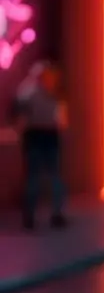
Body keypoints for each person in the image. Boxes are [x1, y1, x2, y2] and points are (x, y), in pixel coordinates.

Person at [12, 61, 68, 230]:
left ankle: (30, 216)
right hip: (49, 136)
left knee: (34, 177)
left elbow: (19, 115)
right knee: (53, 176)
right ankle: (56, 214)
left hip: (35, 136)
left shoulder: (27, 92)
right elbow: (62, 120)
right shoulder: (56, 94)